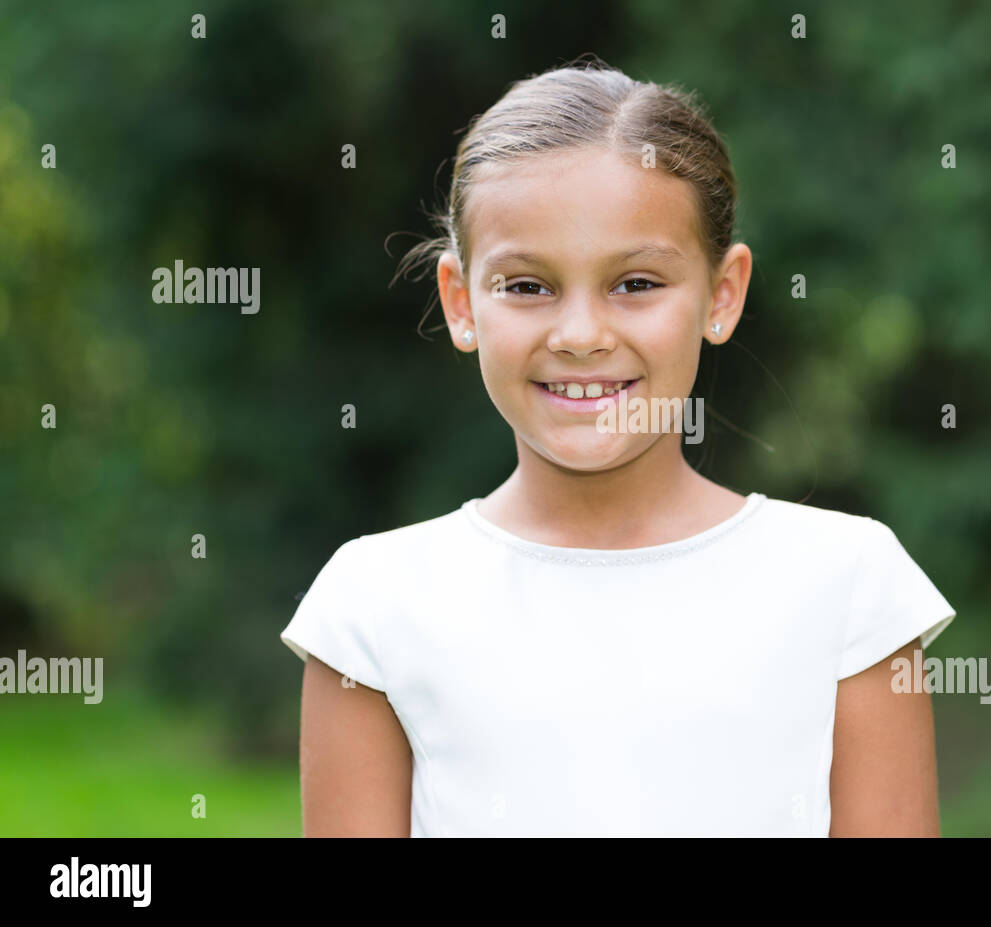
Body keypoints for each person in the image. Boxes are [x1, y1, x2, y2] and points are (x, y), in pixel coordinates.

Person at [280, 56, 956, 837]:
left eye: (635, 283)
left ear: (722, 293)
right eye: (527, 286)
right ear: (461, 303)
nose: (579, 336)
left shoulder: (851, 590)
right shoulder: (373, 606)